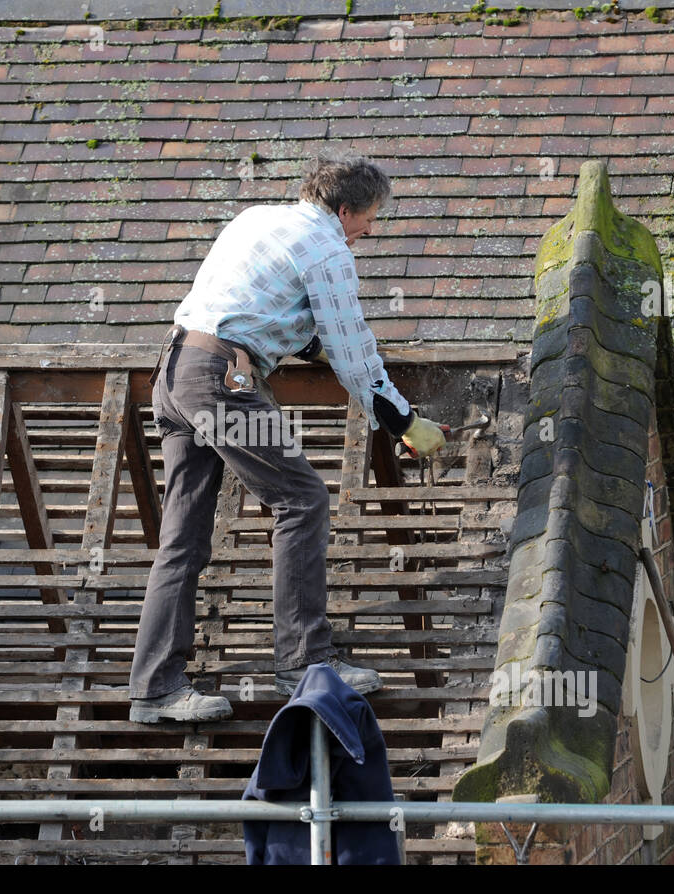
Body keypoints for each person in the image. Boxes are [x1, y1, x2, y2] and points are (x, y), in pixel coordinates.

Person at [128, 153, 450, 724]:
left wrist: (307, 344)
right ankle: (305, 663)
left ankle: (155, 689)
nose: (368, 233)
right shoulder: (325, 246)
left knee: (182, 540)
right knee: (303, 500)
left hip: (175, 373)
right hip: (222, 383)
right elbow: (353, 354)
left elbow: (266, 311)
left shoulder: (257, 218)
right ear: (344, 208)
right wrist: (406, 422)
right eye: (368, 220)